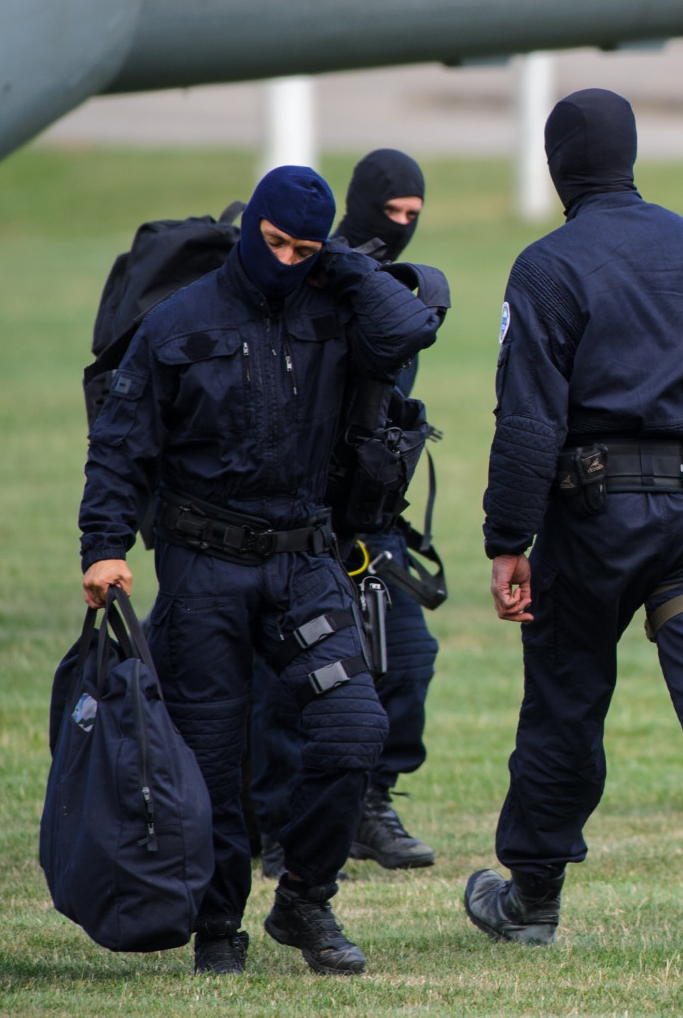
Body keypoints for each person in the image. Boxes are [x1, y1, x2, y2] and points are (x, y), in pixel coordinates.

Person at [466, 88, 683, 952]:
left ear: (558, 168)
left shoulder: (546, 267)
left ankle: (532, 900)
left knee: (564, 699)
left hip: (591, 522)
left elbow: (529, 423)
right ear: (628, 155)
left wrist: (508, 539)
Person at [78, 165, 441, 975]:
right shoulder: (178, 321)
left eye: (302, 250)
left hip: (306, 560)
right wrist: (103, 545)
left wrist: (336, 260)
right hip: (203, 566)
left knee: (356, 727)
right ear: (250, 231)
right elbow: (120, 446)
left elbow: (411, 327)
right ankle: (218, 929)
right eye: (273, 242)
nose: (284, 262)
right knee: (213, 760)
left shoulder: (336, 306)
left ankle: (305, 898)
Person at [250, 149, 441, 877]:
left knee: (408, 659)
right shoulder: (299, 279)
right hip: (290, 520)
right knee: (284, 680)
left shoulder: (385, 293)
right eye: (389, 212)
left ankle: (370, 803)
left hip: (368, 521)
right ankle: (278, 826)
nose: (400, 226)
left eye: (413, 215)